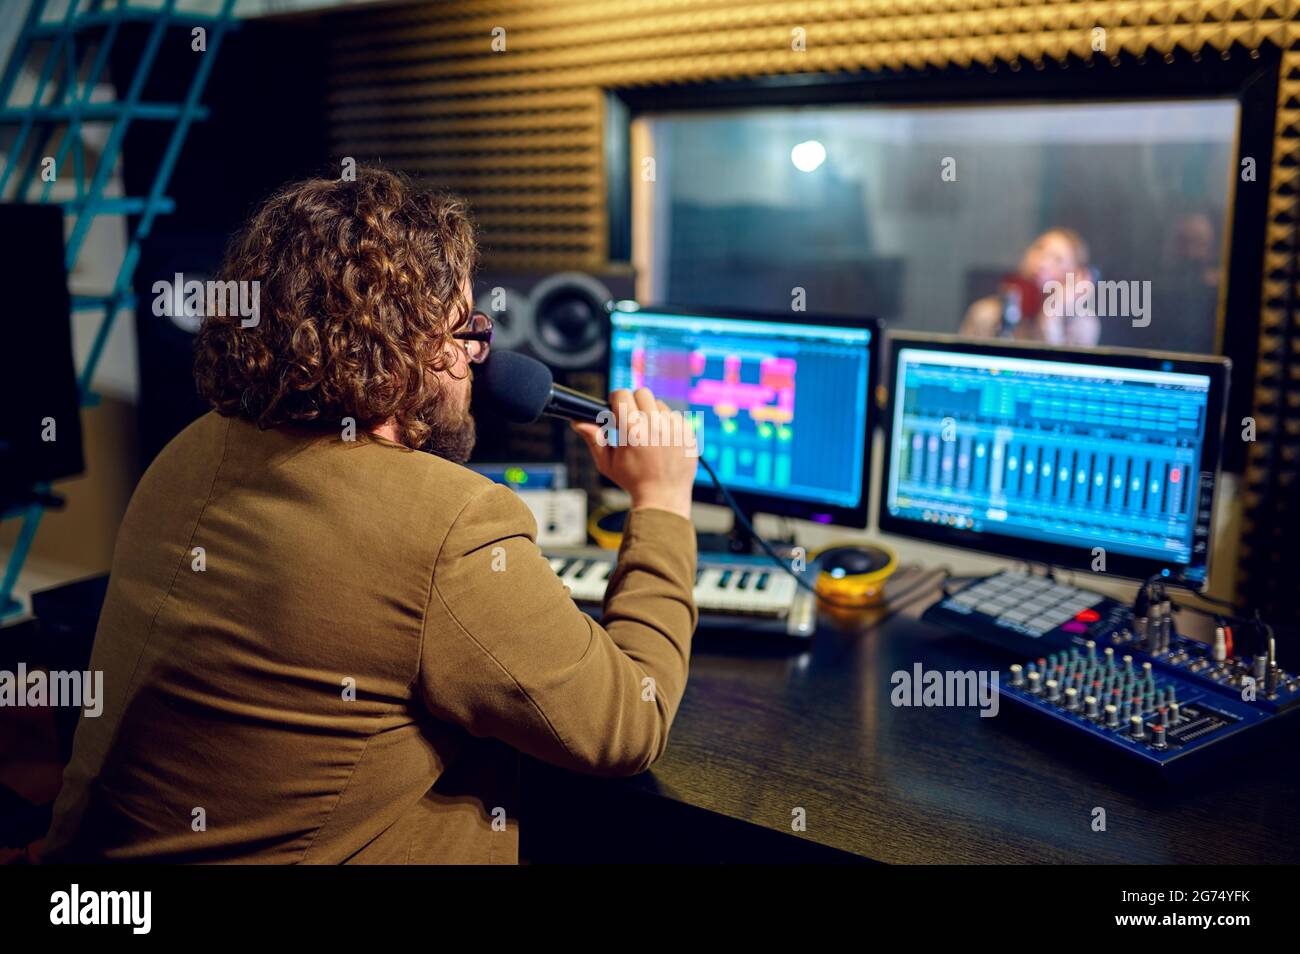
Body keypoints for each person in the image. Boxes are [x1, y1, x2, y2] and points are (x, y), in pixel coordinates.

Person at [44, 168, 700, 864]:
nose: (479, 359)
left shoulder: (193, 446)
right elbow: (628, 724)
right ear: (407, 350)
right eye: (468, 331)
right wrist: (660, 501)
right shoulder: (449, 523)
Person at [960, 227, 1100, 346]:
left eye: (1058, 259)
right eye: (1039, 249)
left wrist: (1051, 317)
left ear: (1076, 275)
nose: (1043, 262)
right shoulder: (985, 314)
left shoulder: (1083, 325)